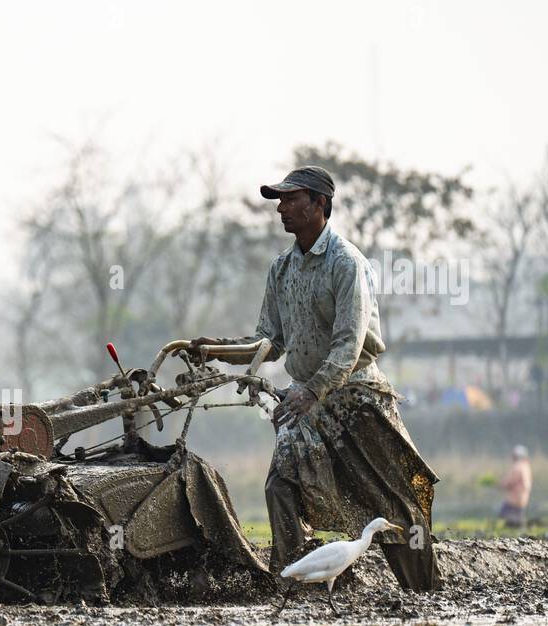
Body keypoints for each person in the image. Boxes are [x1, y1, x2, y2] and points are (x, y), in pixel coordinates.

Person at [188, 166, 441, 591]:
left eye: (291, 199)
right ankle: (295, 585)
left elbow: (347, 344)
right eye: (279, 201)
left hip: (355, 397)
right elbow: (269, 341)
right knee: (280, 486)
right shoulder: (282, 269)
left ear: (319, 204)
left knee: (393, 501)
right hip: (305, 399)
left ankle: (425, 594)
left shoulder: (346, 263)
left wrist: (313, 390)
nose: (281, 208)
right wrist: (215, 350)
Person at [499, 445, 532, 528]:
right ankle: (518, 526)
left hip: (515, 498)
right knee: (517, 515)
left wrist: (500, 484)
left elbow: (509, 481)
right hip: (522, 497)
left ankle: (516, 526)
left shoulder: (518, 467)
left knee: (504, 512)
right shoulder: (526, 467)